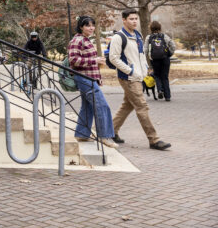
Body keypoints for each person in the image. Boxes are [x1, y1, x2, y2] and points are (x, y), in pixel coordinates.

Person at [109, 9, 171, 150]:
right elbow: (113, 58)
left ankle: (111, 131)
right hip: (128, 77)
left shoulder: (137, 35)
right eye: (131, 19)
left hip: (138, 76)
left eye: (136, 18)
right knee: (142, 106)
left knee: (127, 105)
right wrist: (130, 71)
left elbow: (141, 54)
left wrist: (144, 69)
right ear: (124, 20)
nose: (134, 21)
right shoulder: (119, 37)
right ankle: (154, 139)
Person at [67, 16, 117, 148]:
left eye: (93, 25)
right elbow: (73, 60)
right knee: (102, 106)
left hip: (89, 78)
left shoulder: (85, 39)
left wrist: (97, 73)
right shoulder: (77, 40)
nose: (91, 28)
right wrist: (95, 60)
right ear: (81, 27)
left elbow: (86, 61)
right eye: (88, 25)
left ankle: (82, 134)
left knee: (87, 107)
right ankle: (104, 136)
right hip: (84, 79)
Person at [144, 21, 176, 101]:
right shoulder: (164, 36)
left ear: (151, 28)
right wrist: (170, 53)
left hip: (154, 60)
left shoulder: (149, 37)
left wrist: (146, 58)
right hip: (165, 59)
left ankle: (160, 90)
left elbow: (145, 50)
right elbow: (173, 45)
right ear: (160, 27)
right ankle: (167, 96)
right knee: (165, 77)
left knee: (157, 75)